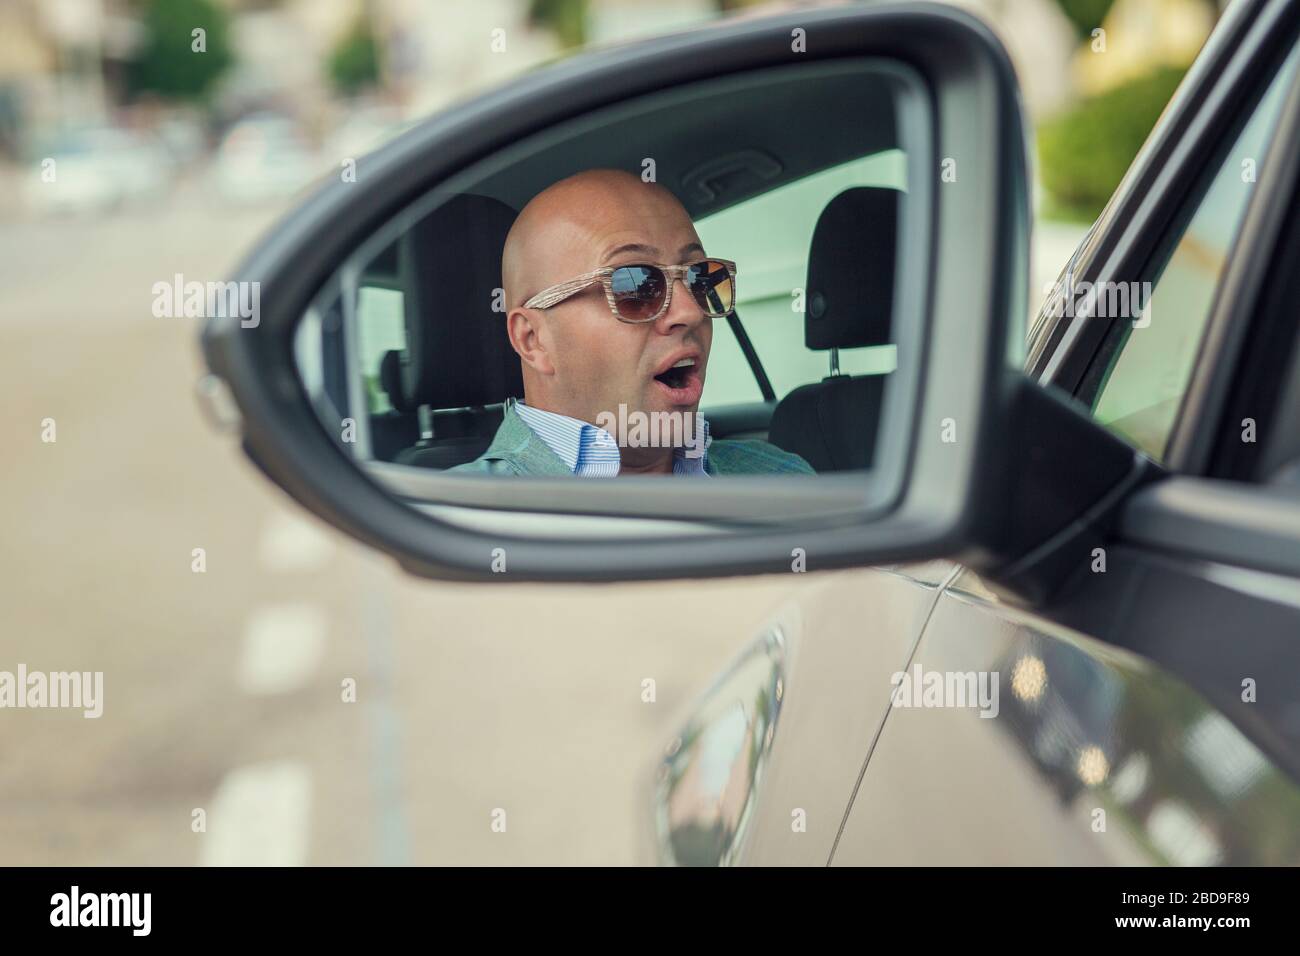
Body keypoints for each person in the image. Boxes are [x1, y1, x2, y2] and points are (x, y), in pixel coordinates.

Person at [452, 169, 814, 476]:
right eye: (635, 286)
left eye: (700, 277)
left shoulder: (783, 476)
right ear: (533, 340)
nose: (690, 311)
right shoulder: (448, 525)